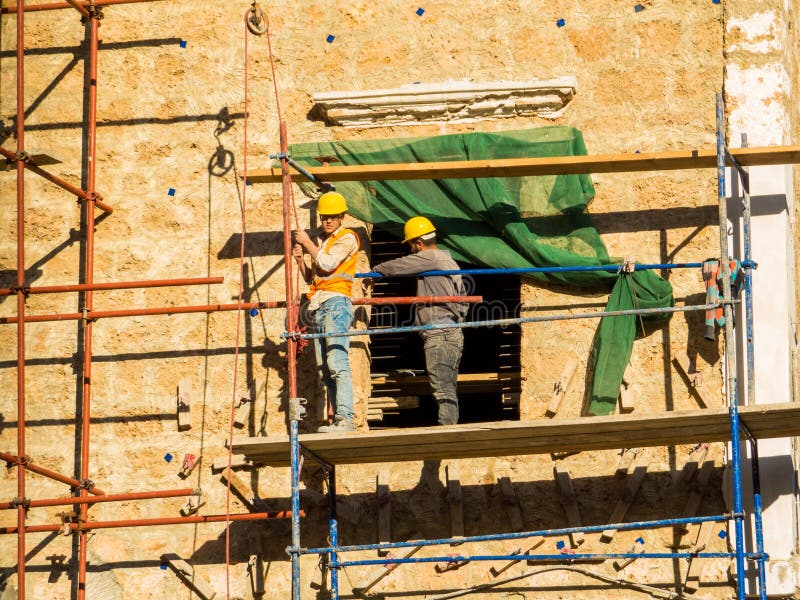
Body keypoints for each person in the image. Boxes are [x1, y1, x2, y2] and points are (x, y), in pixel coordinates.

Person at [372, 217, 468, 425]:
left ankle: (446, 434)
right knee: (446, 385)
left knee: (443, 389)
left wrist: (373, 272)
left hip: (439, 333)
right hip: (450, 332)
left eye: (411, 246)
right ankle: (449, 429)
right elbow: (463, 304)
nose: (411, 251)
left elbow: (398, 266)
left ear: (418, 243)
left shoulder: (430, 257)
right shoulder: (450, 261)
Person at [293, 191, 359, 433]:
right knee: (325, 371)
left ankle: (346, 418)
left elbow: (328, 264)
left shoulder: (347, 238)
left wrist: (307, 243)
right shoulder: (323, 242)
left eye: (333, 217)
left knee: (337, 363)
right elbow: (313, 278)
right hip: (319, 306)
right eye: (324, 217)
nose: (328, 221)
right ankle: (338, 421)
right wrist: (301, 260)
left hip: (336, 305)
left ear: (342, 217)